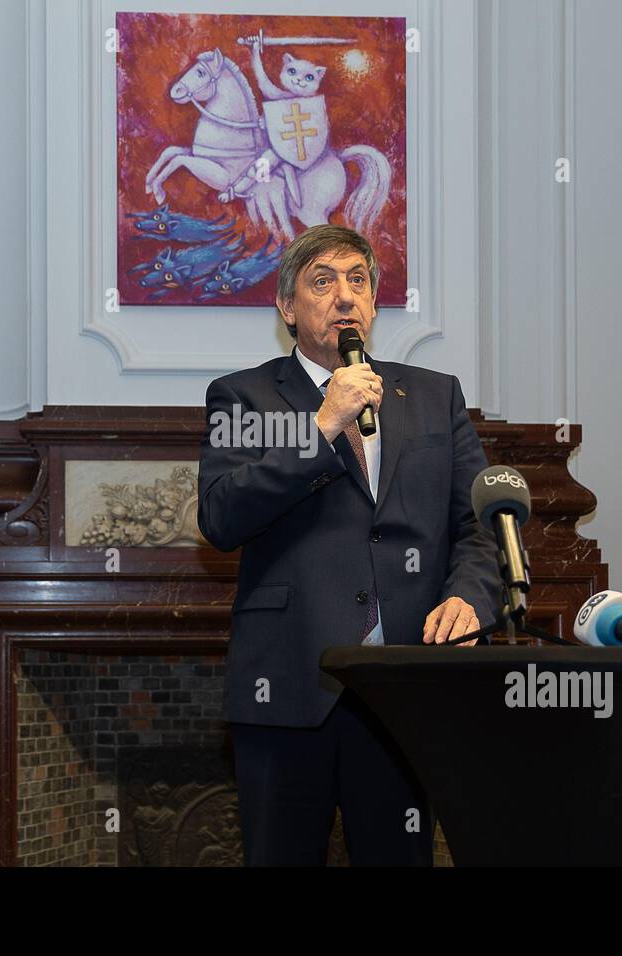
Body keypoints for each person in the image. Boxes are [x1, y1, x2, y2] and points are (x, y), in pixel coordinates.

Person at [197, 224, 503, 866]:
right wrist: (322, 427)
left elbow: (481, 523)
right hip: (285, 692)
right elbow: (221, 517)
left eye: (357, 280)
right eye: (322, 281)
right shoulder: (242, 396)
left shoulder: (433, 396)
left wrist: (471, 599)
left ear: (373, 302)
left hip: (403, 694)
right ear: (287, 308)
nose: (344, 296)